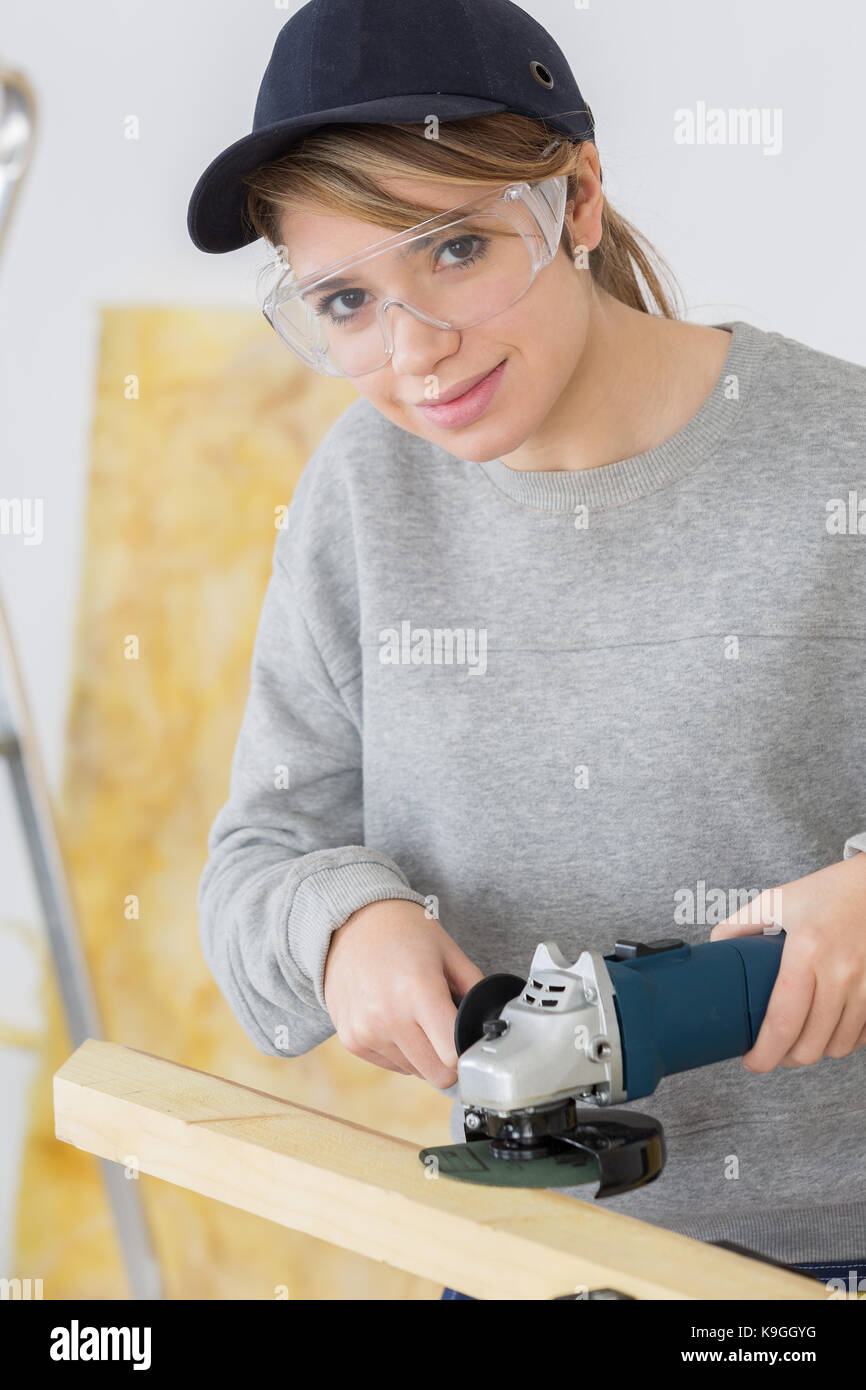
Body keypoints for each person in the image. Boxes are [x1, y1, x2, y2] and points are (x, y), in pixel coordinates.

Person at [188, 0, 866, 1299]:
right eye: (343, 298)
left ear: (578, 200)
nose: (414, 351)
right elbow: (259, 862)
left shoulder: (840, 459)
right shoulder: (360, 499)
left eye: (453, 249)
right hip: (524, 1257)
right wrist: (343, 925)